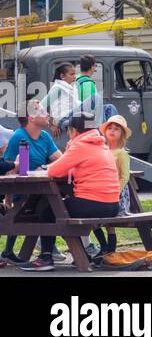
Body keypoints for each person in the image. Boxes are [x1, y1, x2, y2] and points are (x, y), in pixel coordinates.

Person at [20, 114, 119, 272]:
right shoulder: (101, 144)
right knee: (59, 208)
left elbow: (55, 170)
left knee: (48, 210)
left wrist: (46, 168)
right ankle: (82, 256)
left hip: (94, 203)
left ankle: (46, 257)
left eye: (68, 130)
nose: (67, 133)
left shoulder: (81, 145)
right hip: (112, 205)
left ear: (74, 130)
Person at [0, 111, 62, 266]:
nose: (47, 113)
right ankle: (47, 253)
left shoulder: (45, 137)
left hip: (41, 190)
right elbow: (8, 168)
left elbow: (61, 160)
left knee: (52, 204)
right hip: (23, 192)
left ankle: (46, 253)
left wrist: (45, 166)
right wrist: (8, 197)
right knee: (50, 206)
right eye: (41, 110)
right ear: (31, 118)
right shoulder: (18, 137)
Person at [90, 114, 133, 257]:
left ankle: (110, 250)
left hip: (117, 194)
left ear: (122, 134)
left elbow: (124, 176)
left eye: (116, 129)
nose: (112, 131)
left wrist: (116, 192)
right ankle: (104, 247)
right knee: (93, 220)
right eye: (110, 128)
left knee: (110, 225)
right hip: (103, 192)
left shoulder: (122, 154)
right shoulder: (102, 151)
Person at [43, 63, 79, 140]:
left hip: (73, 117)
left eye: (75, 74)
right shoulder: (58, 88)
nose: (75, 76)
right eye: (72, 74)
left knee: (108, 107)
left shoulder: (71, 88)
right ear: (62, 76)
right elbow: (41, 106)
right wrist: (51, 123)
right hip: (64, 119)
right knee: (95, 99)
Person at [75, 54, 99, 123]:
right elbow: (89, 108)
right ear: (92, 67)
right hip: (85, 120)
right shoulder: (88, 83)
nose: (95, 68)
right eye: (95, 66)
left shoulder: (76, 79)